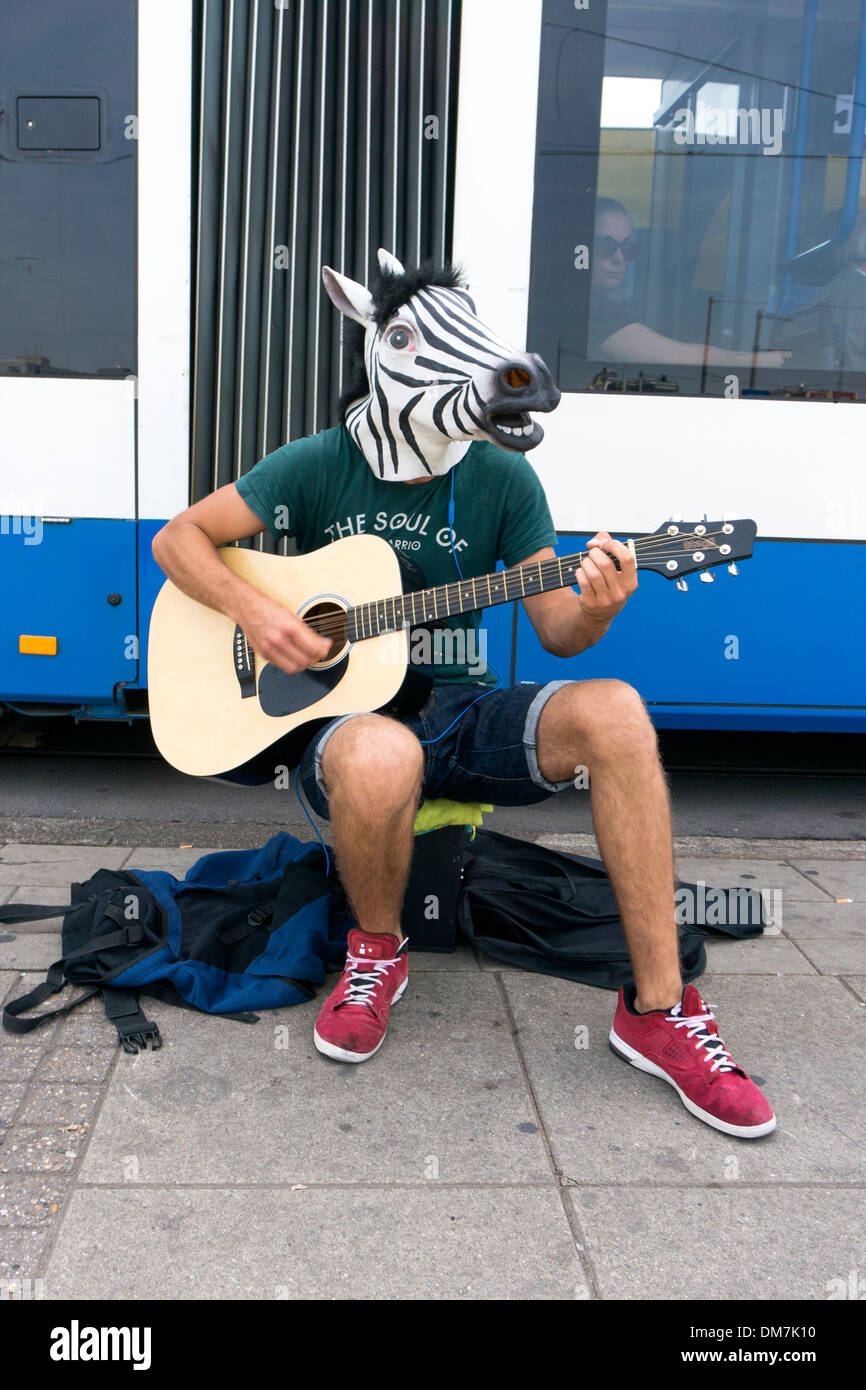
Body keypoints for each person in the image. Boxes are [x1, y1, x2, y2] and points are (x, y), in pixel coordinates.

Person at [152, 249, 776, 1140]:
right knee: (381, 748)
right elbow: (180, 541)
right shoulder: (317, 463)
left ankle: (659, 1011)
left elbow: (557, 629)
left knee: (617, 711)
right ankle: (376, 953)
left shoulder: (501, 477)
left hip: (468, 713)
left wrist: (599, 607)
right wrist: (259, 613)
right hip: (349, 723)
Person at [589, 197, 790, 369]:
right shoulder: (592, 310)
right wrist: (759, 360)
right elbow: (679, 356)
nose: (619, 258)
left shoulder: (606, 307)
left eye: (628, 248)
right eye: (605, 246)